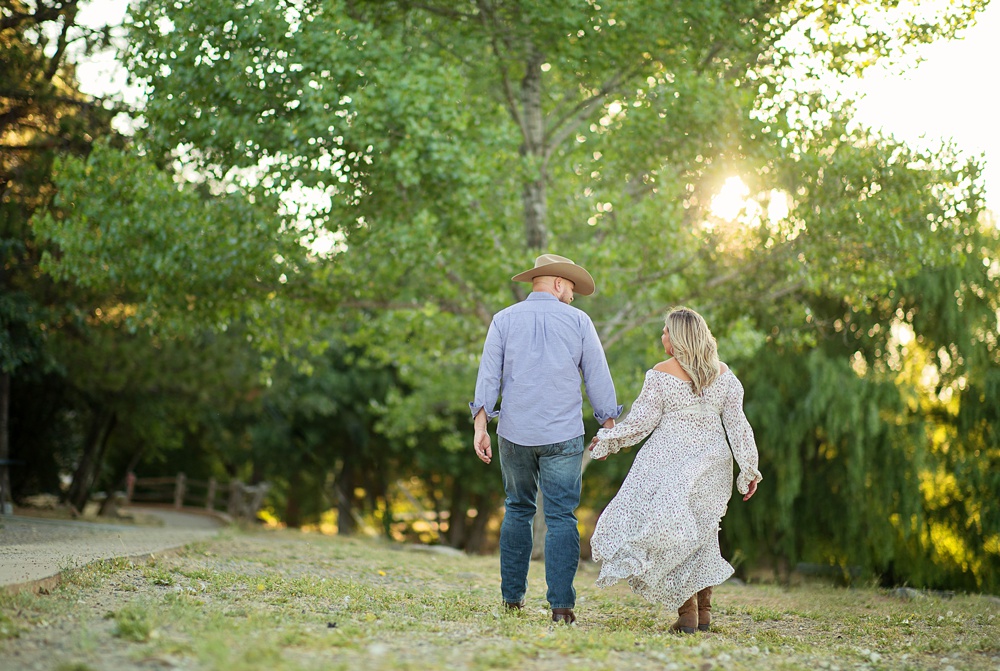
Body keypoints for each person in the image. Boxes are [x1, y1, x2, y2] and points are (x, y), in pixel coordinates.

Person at [588, 306, 762, 633]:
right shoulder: (724, 375)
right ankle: (704, 611)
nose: (662, 336)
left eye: (666, 331)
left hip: (671, 464)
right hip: (715, 463)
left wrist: (607, 439)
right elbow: (739, 427)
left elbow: (640, 423)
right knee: (701, 533)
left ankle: (688, 616)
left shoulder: (661, 374)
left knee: (674, 535)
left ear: (679, 337)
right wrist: (748, 468)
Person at [470, 253, 622, 625]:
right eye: (571, 288)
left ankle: (511, 600)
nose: (572, 296)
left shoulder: (503, 320)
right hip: (562, 435)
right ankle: (561, 608)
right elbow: (598, 377)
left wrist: (480, 428)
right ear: (556, 283)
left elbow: (488, 376)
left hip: (515, 434)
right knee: (561, 518)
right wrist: (608, 427)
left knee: (518, 510)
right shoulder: (579, 322)